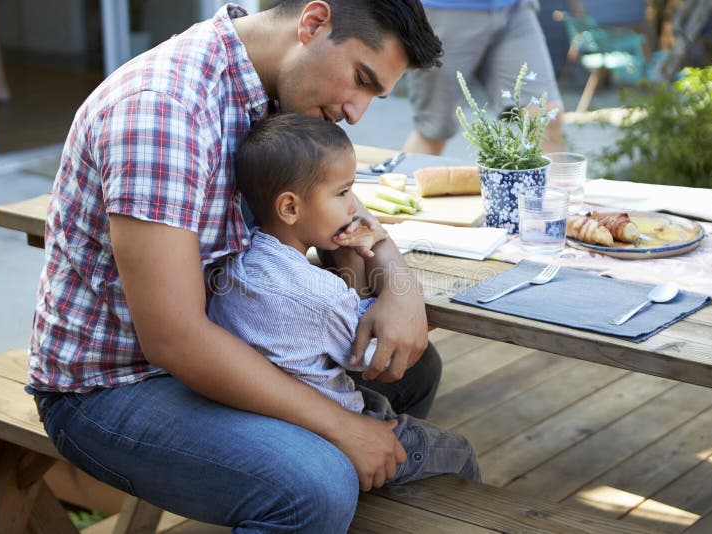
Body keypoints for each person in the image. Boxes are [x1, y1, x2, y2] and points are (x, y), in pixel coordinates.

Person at [27, 1, 443, 531]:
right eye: (360, 80)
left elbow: (339, 205)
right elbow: (174, 339)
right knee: (313, 488)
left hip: (230, 338)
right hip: (116, 385)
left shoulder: (281, 90)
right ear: (313, 24)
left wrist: (399, 284)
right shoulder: (163, 109)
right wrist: (341, 427)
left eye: (374, 94)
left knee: (407, 363)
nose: (356, 112)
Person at [209, 113, 481, 486]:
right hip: (325, 432)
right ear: (289, 208)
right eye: (342, 193)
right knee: (457, 450)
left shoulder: (237, 263)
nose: (354, 206)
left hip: (260, 422)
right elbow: (379, 355)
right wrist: (382, 253)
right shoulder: (320, 295)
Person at [403, 0, 564, 156]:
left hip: (513, 9)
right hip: (445, 10)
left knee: (546, 115)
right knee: (433, 130)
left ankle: (550, 183)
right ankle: (399, 181)